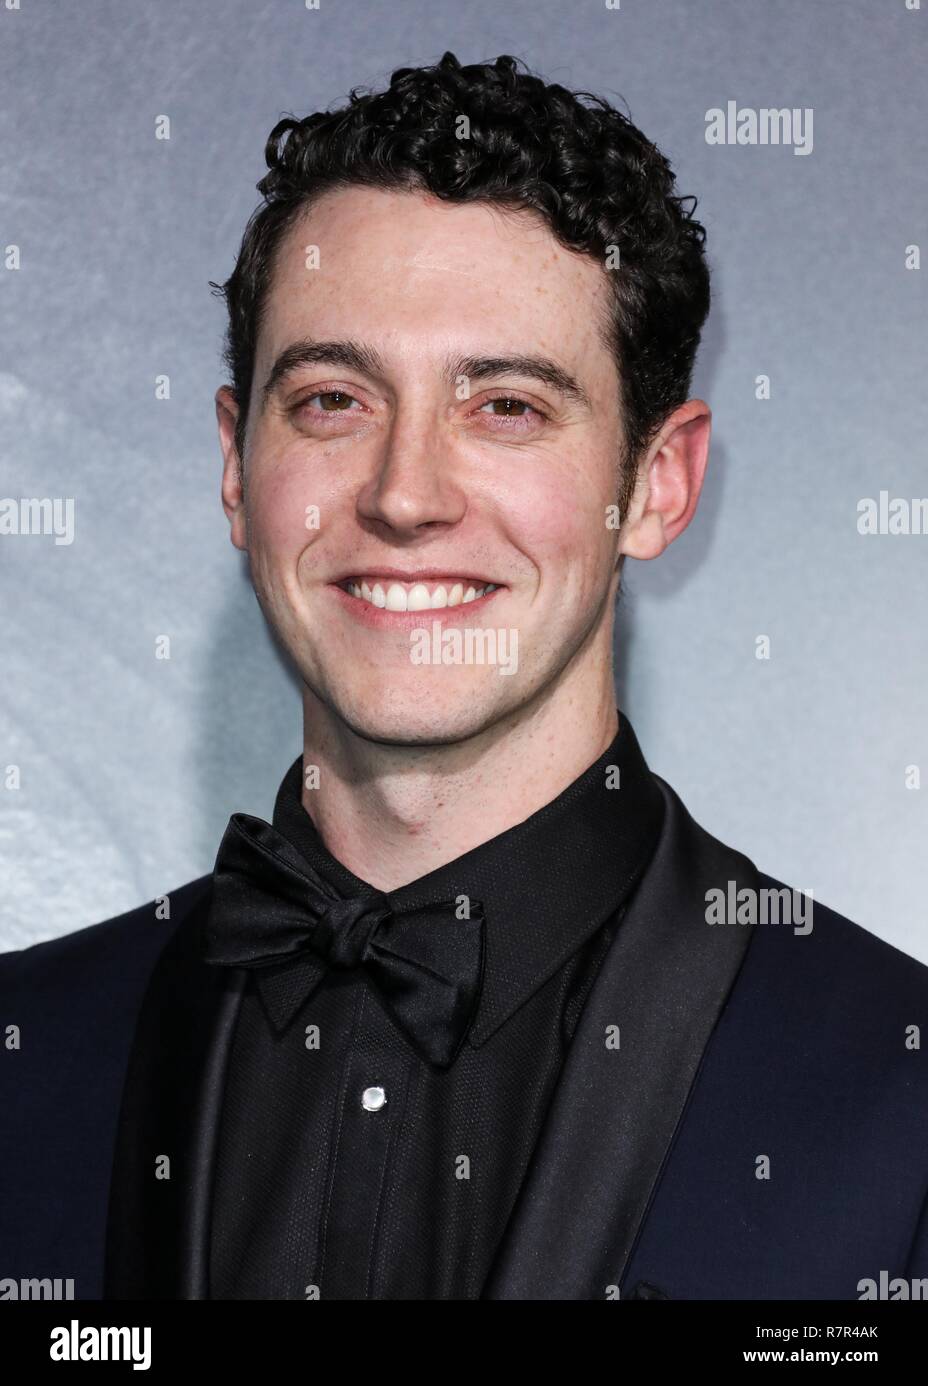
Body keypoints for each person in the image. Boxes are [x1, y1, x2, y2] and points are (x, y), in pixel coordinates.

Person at [2, 52, 926, 1302]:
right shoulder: (28, 1057)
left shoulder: (895, 1095)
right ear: (237, 465)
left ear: (656, 483)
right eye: (333, 399)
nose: (403, 493)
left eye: (504, 407)